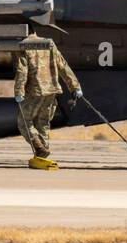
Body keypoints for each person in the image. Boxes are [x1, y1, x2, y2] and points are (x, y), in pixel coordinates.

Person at [14, 39, 82, 169]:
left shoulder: (23, 45)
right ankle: (42, 157)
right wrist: (75, 87)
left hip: (34, 92)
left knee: (24, 122)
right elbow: (62, 65)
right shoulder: (49, 43)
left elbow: (22, 71)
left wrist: (19, 91)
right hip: (51, 91)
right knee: (43, 123)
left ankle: (40, 148)